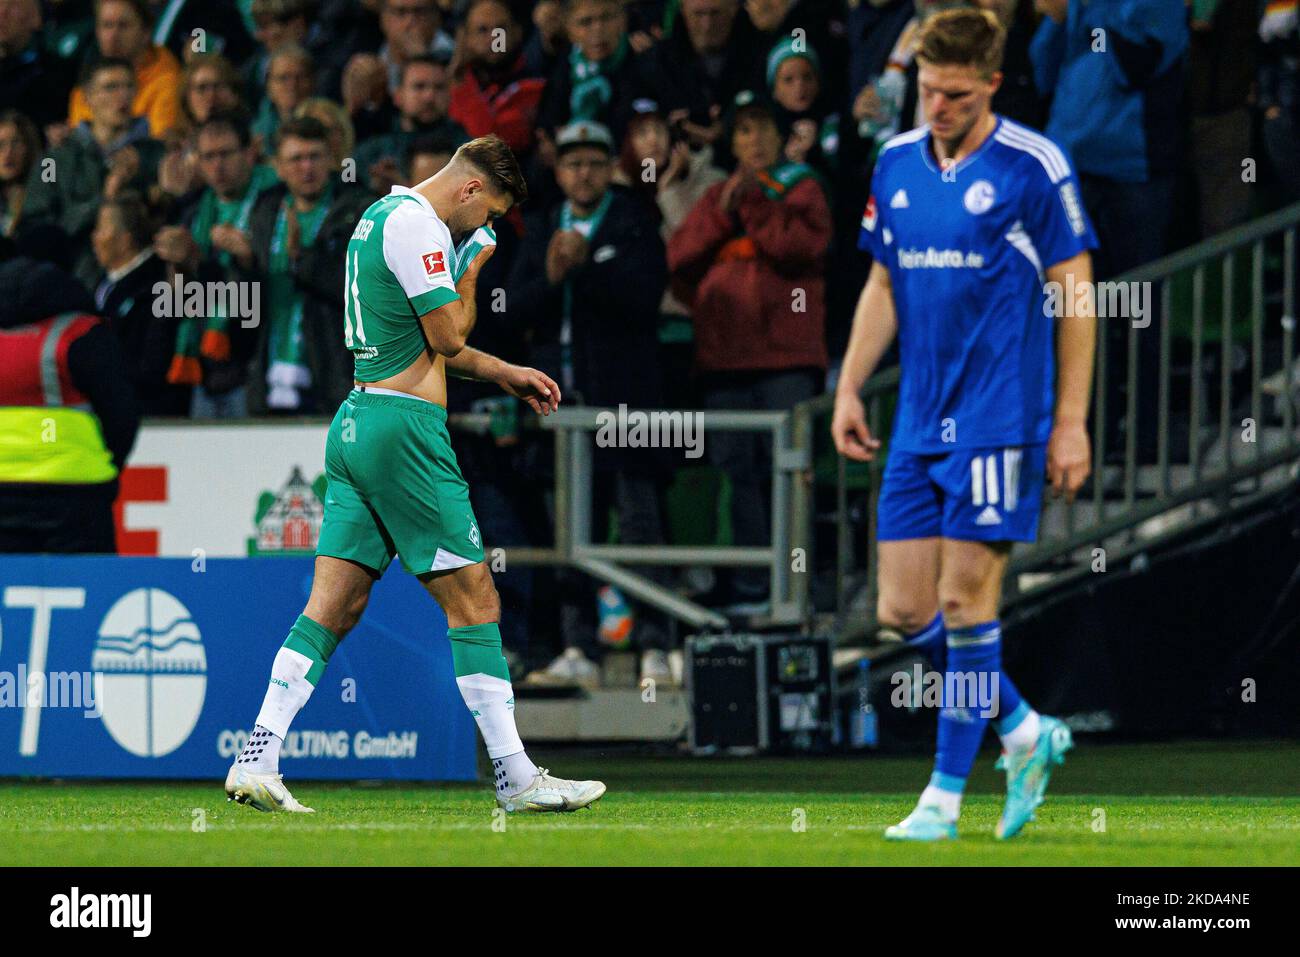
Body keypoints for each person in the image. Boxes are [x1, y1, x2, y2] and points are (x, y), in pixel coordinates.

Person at [224, 133, 606, 815]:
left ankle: (259, 754)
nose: (486, 226)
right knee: (476, 600)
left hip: (357, 421)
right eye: (488, 212)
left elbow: (430, 344)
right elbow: (450, 335)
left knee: (333, 606)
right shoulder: (420, 227)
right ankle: (516, 775)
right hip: (404, 433)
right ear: (467, 187)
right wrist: (474, 264)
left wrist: (507, 372)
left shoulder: (378, 218)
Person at [831, 8, 1095, 841]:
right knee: (905, 610)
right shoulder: (897, 160)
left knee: (965, 599)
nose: (936, 105)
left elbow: (1076, 295)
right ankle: (1023, 728)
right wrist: (848, 389)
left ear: (991, 84)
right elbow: (881, 284)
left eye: (952, 93)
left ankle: (943, 800)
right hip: (917, 423)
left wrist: (1071, 421)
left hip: (999, 417)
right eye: (925, 89)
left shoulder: (1033, 166)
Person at [507, 120, 672, 686]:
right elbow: (513, 308)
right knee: (570, 526)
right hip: (560, 404)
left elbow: (645, 298)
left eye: (595, 163)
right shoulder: (543, 225)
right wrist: (553, 278)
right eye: (573, 163)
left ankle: (656, 644)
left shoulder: (633, 221)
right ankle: (580, 646)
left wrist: (584, 272)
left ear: (611, 169)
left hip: (625, 404)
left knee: (639, 524)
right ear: (558, 171)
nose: (584, 173)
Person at [668, 90, 831, 609]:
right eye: (743, 130)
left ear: (783, 137)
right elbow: (678, 258)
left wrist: (756, 205)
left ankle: (796, 590)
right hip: (725, 362)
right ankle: (752, 588)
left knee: (789, 476)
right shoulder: (718, 196)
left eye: (764, 128)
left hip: (787, 360)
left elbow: (798, 250)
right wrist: (724, 215)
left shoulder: (803, 188)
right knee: (738, 475)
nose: (754, 139)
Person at [0, 256, 139, 553]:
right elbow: (122, 414)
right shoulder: (83, 334)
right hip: (77, 492)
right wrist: (107, 464)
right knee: (87, 589)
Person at [23, 57, 164, 288]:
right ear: (86, 97)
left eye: (128, 86)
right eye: (110, 87)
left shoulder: (155, 155)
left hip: (141, 286)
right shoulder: (54, 161)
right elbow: (40, 231)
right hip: (72, 283)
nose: (122, 96)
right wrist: (105, 199)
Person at [90, 190, 191, 415]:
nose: (94, 237)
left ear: (125, 240)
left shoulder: (155, 285)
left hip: (149, 415)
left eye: (101, 229)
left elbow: (154, 363)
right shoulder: (102, 283)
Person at [65, 0, 182, 138]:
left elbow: (159, 145)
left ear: (146, 32)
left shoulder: (168, 81)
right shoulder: (87, 82)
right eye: (107, 26)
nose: (113, 36)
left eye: (123, 26)